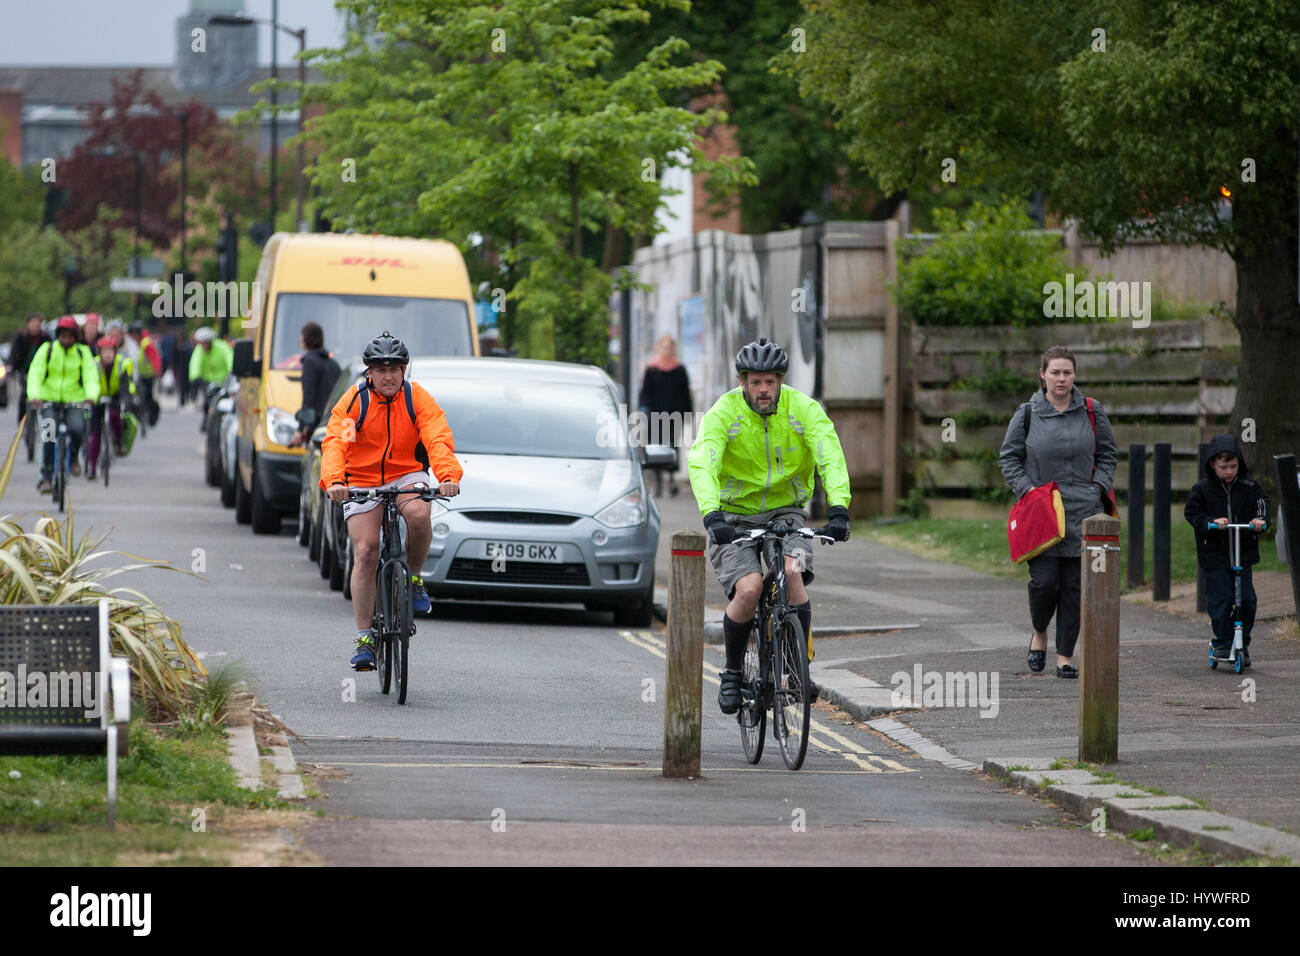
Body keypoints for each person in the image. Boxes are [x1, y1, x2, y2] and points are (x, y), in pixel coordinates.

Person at [687, 336, 852, 715]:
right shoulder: (723, 414)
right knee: (748, 590)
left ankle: (798, 669)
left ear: (781, 382)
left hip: (787, 513)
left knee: (792, 573)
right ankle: (731, 672)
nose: (764, 389)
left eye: (770, 382)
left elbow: (829, 454)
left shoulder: (803, 410)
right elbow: (702, 462)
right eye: (755, 381)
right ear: (743, 382)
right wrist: (712, 516)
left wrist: (839, 507)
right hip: (733, 516)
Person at [319, 331, 462, 670]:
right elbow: (338, 443)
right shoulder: (355, 402)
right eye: (380, 369)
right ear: (369, 372)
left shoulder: (417, 400)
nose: (388, 376)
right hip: (361, 478)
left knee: (418, 514)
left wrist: (448, 476)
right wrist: (336, 480)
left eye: (395, 369)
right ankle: (365, 637)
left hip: (405, 473)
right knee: (367, 550)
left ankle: (412, 579)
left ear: (404, 371)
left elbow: (437, 438)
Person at [998, 345, 1118, 679]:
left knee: (1074, 589)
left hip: (1084, 512)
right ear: (1043, 375)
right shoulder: (1027, 413)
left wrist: (1098, 486)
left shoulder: (1092, 410)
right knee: (1045, 583)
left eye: (1067, 372)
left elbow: (1108, 454)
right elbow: (1008, 458)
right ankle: (1039, 632)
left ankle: (1065, 656)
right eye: (1055, 372)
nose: (1061, 378)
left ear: (1074, 375)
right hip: (1044, 514)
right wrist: (1030, 493)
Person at [1184, 435, 1270, 669]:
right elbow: (1192, 513)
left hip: (1243, 555)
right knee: (1221, 601)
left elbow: (1263, 506)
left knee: (1247, 600)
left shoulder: (1250, 487)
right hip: (1216, 556)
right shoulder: (1202, 488)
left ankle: (1242, 641)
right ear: (1213, 464)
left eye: (1233, 466)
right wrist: (1210, 523)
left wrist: (1260, 521)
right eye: (1224, 467)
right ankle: (1223, 641)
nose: (1229, 471)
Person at [27, 316, 101, 492]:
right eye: (63, 336)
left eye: (70, 336)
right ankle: (46, 476)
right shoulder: (47, 350)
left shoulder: (82, 353)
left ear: (75, 337)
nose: (66, 340)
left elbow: (91, 377)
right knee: (49, 437)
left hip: (73, 400)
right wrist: (35, 395)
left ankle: (74, 457)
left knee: (77, 429)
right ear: (58, 335)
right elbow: (35, 374)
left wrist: (91, 396)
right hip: (49, 400)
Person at [637, 334, 693, 497]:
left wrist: (687, 413)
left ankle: (670, 480)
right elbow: (645, 393)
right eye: (664, 347)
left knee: (671, 447)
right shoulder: (652, 369)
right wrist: (644, 409)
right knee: (655, 447)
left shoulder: (679, 369)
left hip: (674, 414)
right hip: (655, 415)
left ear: (673, 349)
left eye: (669, 347)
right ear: (659, 348)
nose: (667, 350)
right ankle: (658, 483)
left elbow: (685, 393)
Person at [86, 335, 135, 480]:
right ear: (99, 352)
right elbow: (89, 383)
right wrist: (90, 399)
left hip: (115, 397)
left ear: (115, 352)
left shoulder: (122, 364)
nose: (107, 354)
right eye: (104, 351)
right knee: (95, 434)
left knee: (115, 416)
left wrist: (126, 401)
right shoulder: (93, 364)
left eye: (110, 351)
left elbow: (126, 386)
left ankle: (119, 443)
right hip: (97, 398)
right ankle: (92, 468)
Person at [290, 321, 341, 447]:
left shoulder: (310, 362)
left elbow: (309, 397)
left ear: (306, 338)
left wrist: (300, 430)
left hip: (317, 429)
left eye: (302, 335)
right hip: (334, 425)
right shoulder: (334, 364)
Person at [188, 327, 234, 430]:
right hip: (208, 382)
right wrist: (195, 378)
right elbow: (195, 364)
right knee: (206, 402)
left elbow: (229, 358)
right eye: (201, 343)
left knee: (226, 402)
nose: (203, 346)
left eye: (205, 343)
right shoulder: (199, 350)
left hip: (224, 381)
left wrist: (233, 371)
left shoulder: (222, 347)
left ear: (210, 341)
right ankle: (206, 419)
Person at [9, 313, 48, 427]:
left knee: (44, 397)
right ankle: (22, 423)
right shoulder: (21, 338)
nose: (35, 326)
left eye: (37, 323)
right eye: (32, 323)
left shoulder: (45, 338)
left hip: (41, 372)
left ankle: (43, 423)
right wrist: (11, 365)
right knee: (24, 396)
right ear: (28, 324)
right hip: (24, 371)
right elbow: (14, 352)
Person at [128, 322, 162, 426]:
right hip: (140, 375)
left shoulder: (146, 343)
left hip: (149, 375)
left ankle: (153, 414)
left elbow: (154, 357)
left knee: (148, 396)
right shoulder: (136, 343)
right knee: (139, 395)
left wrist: (157, 371)